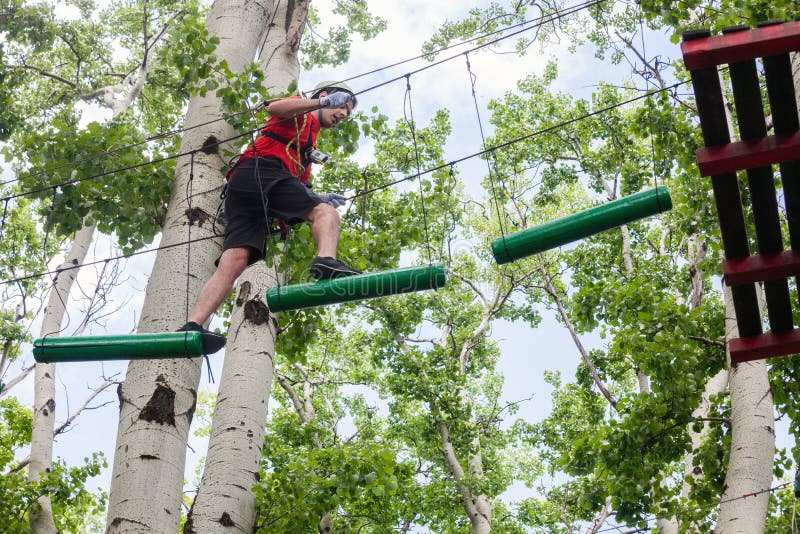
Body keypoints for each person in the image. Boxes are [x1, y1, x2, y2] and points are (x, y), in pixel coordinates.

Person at [179, 81, 361, 336]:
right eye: (342, 106)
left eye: (348, 113)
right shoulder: (302, 109)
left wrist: (318, 195)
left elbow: (297, 185)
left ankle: (192, 325)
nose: (343, 114)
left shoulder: (310, 140)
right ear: (324, 96)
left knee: (235, 260)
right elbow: (276, 109)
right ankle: (326, 261)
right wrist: (319, 103)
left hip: (249, 187)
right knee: (325, 213)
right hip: (261, 170)